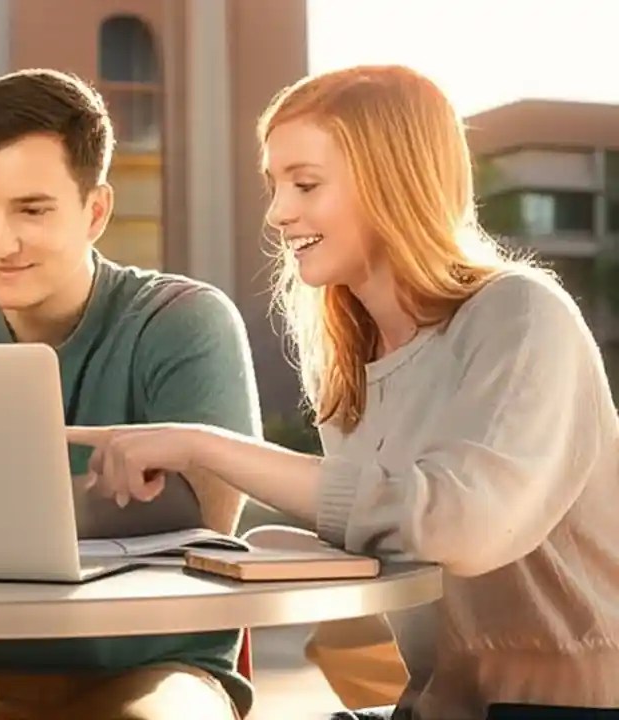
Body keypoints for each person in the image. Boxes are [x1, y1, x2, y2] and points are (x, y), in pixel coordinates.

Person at [67, 64, 619, 719]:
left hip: (572, 706)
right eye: (274, 185)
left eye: (305, 184)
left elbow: (461, 526)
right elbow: (383, 530)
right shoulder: (351, 358)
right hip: (443, 704)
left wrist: (209, 446)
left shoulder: (522, 316)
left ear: (393, 181)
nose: (277, 213)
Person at [0, 68, 261, 720]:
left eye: (31, 209)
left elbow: (207, 529)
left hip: (158, 670)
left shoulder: (183, 321)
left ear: (96, 210)